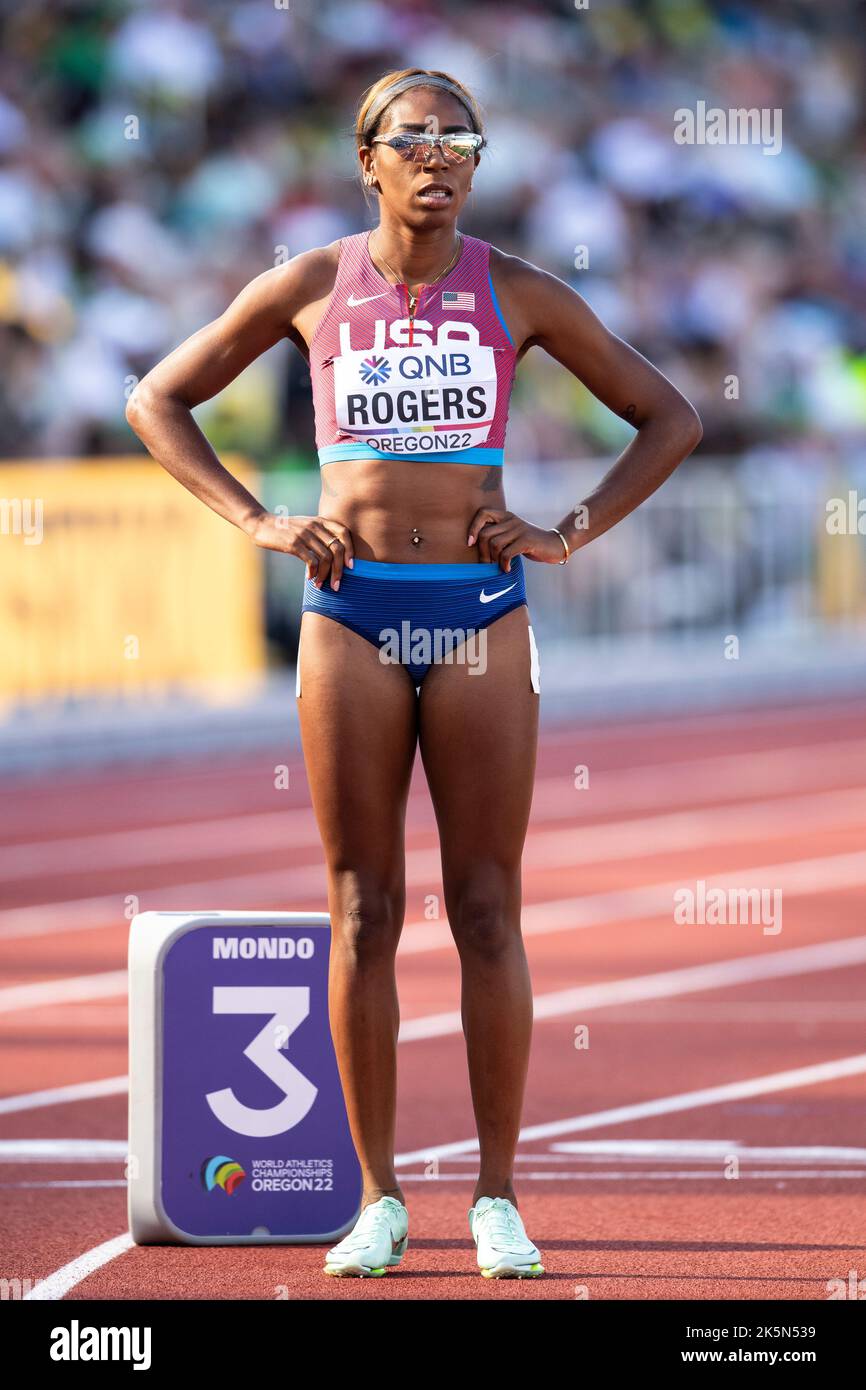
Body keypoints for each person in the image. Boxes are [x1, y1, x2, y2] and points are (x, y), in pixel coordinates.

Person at [125, 66, 702, 1280]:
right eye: (414, 138)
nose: (439, 157)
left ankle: (495, 1193)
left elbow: (668, 415)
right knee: (362, 908)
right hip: (350, 616)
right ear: (366, 160)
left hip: (479, 611)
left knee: (487, 907)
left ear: (479, 166)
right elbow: (157, 399)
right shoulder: (308, 284)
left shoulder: (520, 291)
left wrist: (564, 530)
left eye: (461, 139)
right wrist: (257, 520)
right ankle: (377, 1197)